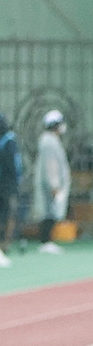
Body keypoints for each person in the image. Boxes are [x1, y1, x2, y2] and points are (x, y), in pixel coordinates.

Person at [35, 108, 71, 253]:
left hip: (52, 184)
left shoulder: (50, 141)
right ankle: (46, 241)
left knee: (52, 211)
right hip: (50, 185)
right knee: (49, 212)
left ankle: (48, 241)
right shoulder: (49, 142)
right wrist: (54, 185)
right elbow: (51, 166)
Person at [0, 111, 20, 266]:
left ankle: (4, 245)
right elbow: (14, 165)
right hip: (7, 184)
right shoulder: (9, 141)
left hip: (6, 183)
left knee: (7, 214)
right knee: (8, 214)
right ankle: (3, 245)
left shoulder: (8, 140)